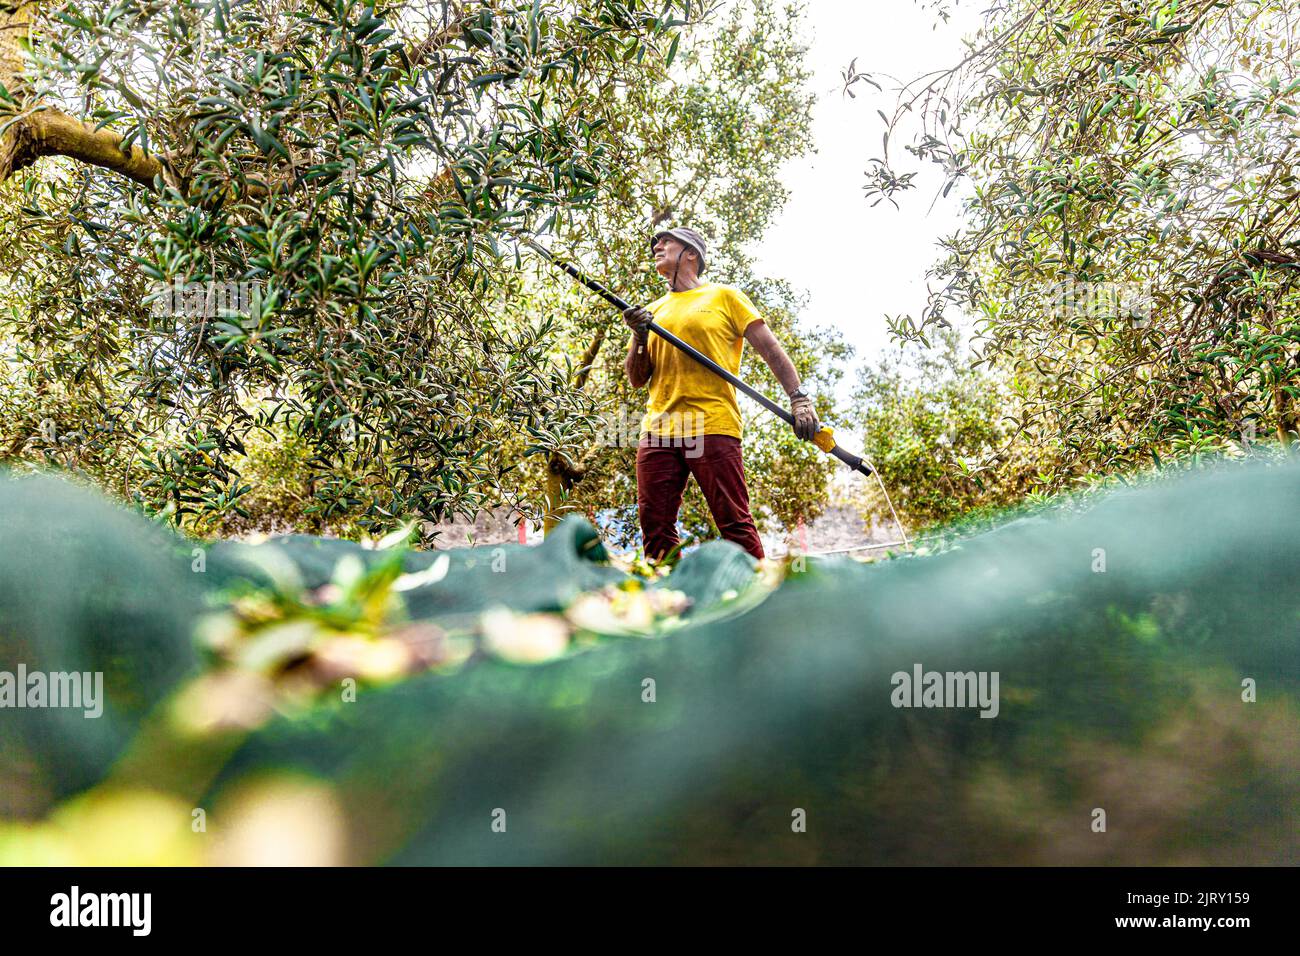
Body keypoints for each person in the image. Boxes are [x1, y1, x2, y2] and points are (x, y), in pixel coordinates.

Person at [622, 226, 819, 562]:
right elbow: (637, 379)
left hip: (711, 423)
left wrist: (798, 398)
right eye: (656, 242)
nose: (657, 245)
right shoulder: (652, 312)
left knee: (734, 524)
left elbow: (770, 350)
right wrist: (640, 336)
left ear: (691, 254)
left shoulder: (724, 297)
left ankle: (760, 599)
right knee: (654, 525)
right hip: (658, 430)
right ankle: (669, 603)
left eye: (666, 241)